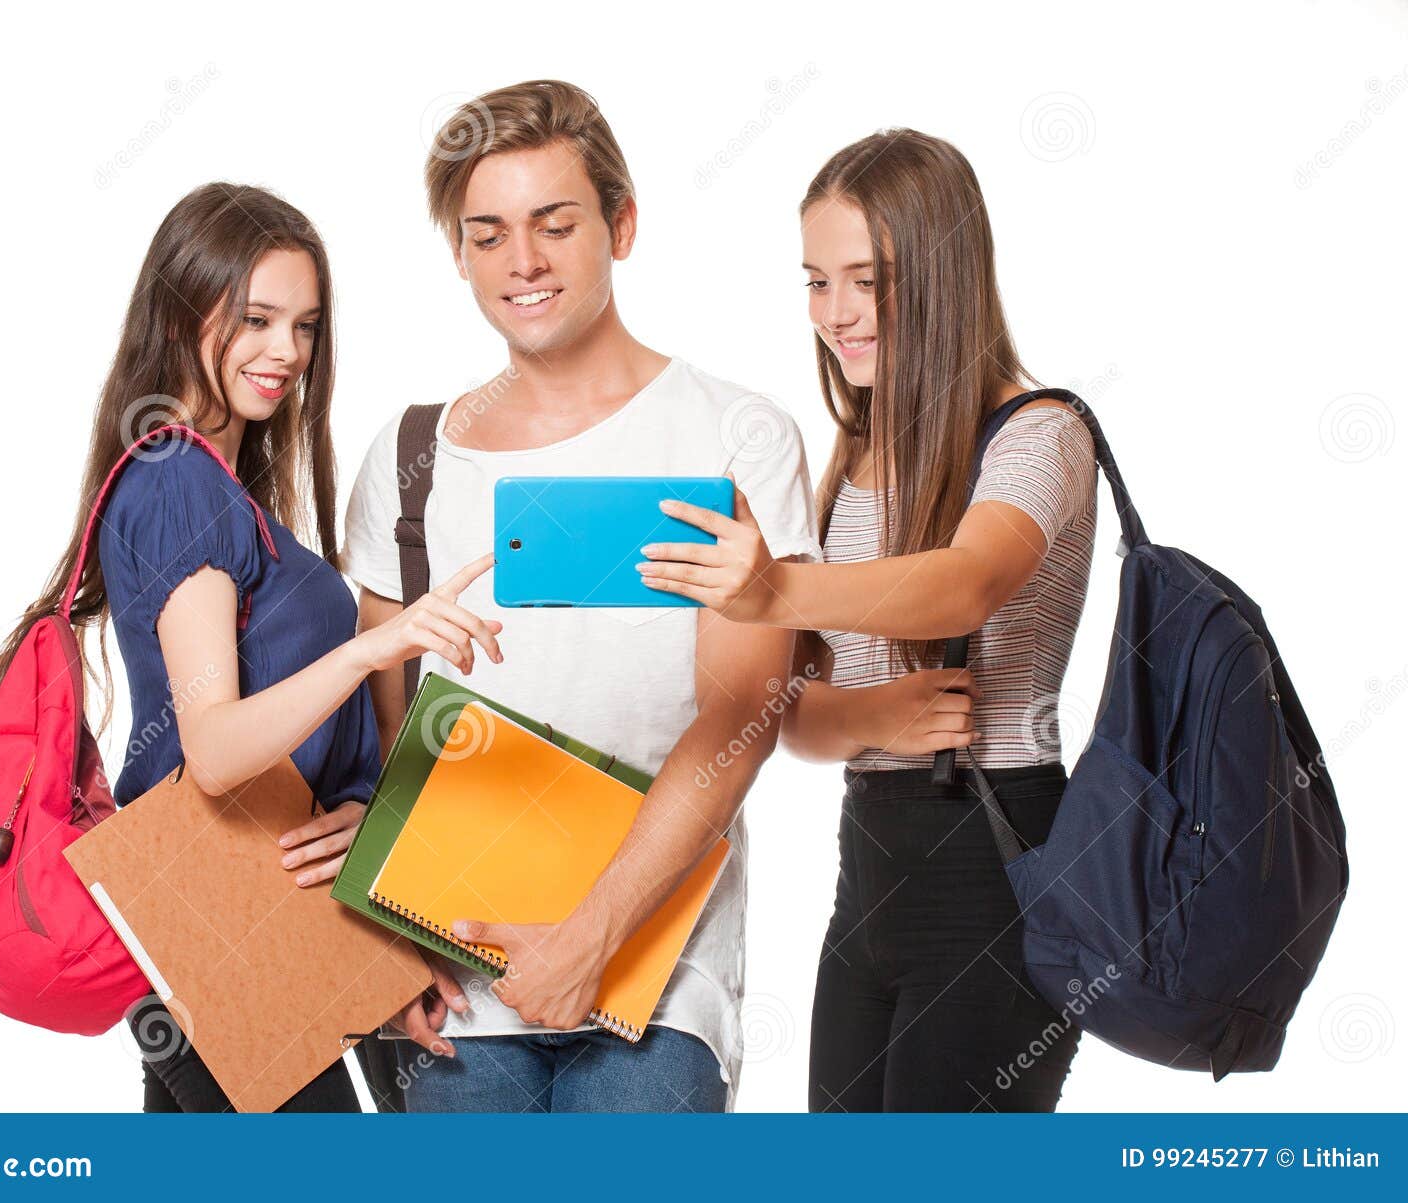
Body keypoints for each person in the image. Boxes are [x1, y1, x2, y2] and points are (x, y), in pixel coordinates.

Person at [339, 79, 821, 1112]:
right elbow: (382, 724)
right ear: (460, 254)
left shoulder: (734, 436)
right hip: (451, 980)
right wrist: (385, 940)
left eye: (555, 224)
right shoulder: (411, 458)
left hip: (657, 982)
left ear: (621, 224)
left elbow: (743, 714)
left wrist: (591, 938)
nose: (524, 262)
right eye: (488, 235)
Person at [0, 182, 500, 1111]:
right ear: (182, 312)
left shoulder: (218, 487)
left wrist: (374, 945)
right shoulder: (181, 480)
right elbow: (214, 752)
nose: (286, 352)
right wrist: (376, 649)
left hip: (231, 938)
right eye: (255, 319)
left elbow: (279, 778)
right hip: (222, 939)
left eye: (304, 326)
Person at [635, 130, 1098, 1112]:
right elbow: (793, 705)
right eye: (815, 281)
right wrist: (871, 718)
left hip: (996, 865)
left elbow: (964, 583)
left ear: (939, 273)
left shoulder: (1041, 432)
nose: (835, 314)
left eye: (866, 280)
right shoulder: (855, 450)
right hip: (871, 867)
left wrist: (775, 592)